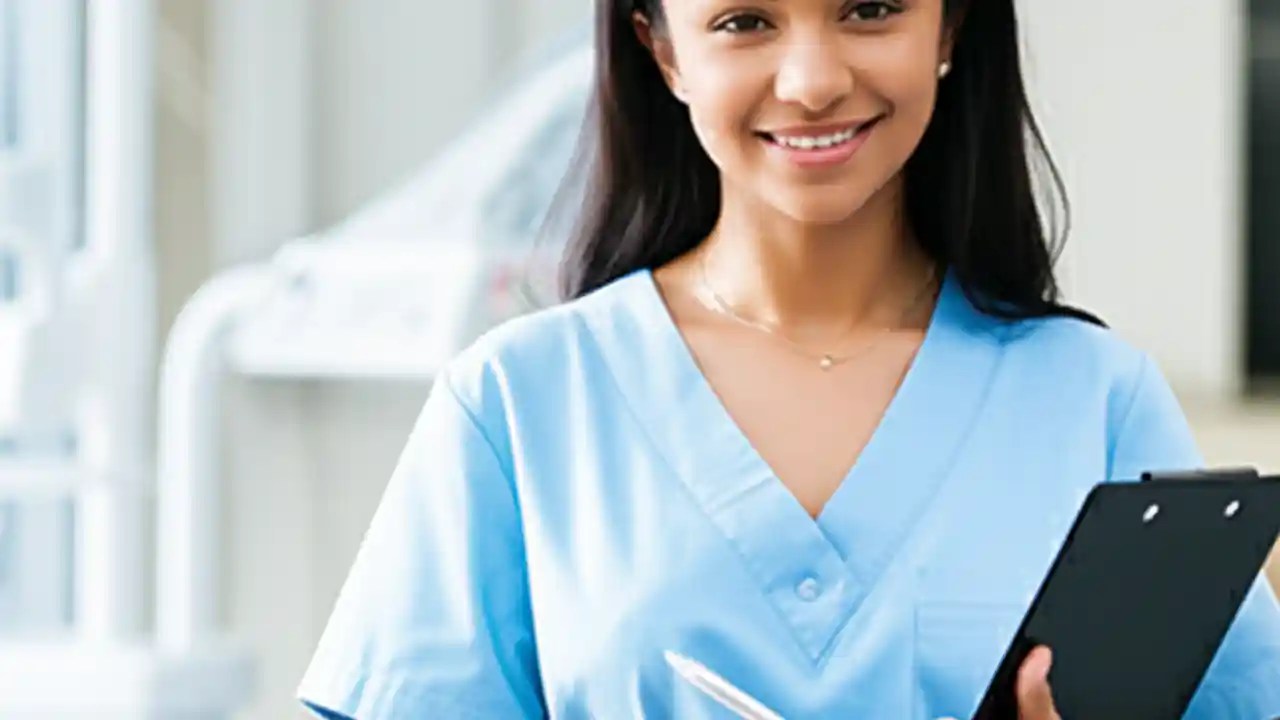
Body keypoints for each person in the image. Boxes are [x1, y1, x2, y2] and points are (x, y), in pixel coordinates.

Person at [297, 0, 1280, 717]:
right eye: (743, 22)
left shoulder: (1094, 400)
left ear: (947, 31)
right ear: (661, 48)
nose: (812, 81)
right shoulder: (517, 402)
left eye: (869, 10)